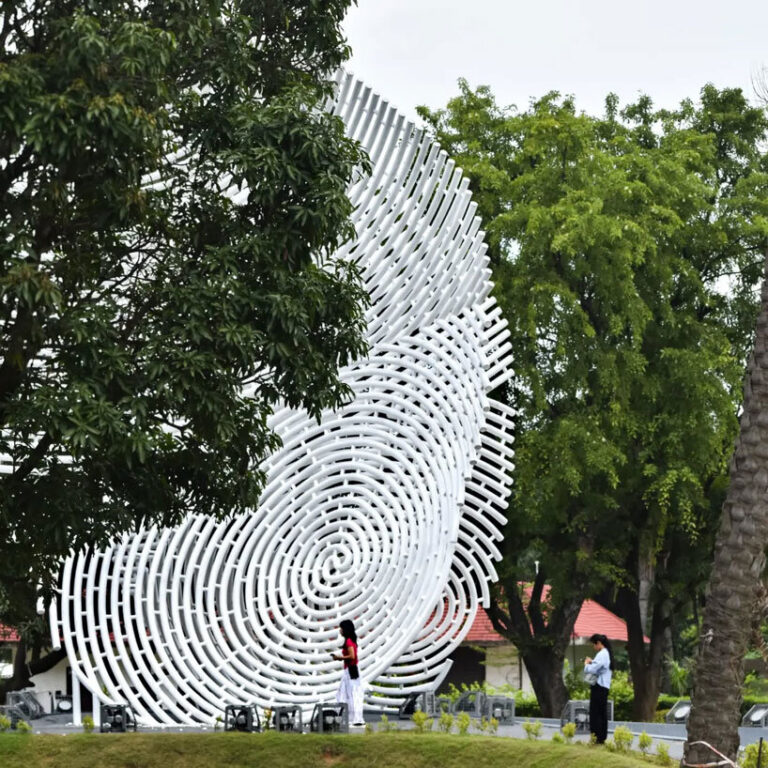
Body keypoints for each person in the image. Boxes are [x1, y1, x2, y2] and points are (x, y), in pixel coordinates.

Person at [332, 619, 364, 726]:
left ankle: (356, 718)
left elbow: (352, 656)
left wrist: (339, 658)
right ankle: (350, 717)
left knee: (352, 693)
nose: (340, 630)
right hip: (349, 669)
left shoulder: (349, 641)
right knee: (344, 693)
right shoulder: (350, 640)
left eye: (341, 628)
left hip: (350, 670)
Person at [583, 632, 613, 744]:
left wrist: (587, 664)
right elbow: (599, 666)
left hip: (599, 686)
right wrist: (592, 661)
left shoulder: (602, 653)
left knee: (595, 713)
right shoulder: (606, 653)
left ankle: (596, 738)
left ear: (599, 643)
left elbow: (593, 669)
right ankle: (601, 738)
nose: (593, 647)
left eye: (594, 644)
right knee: (602, 713)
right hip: (604, 686)